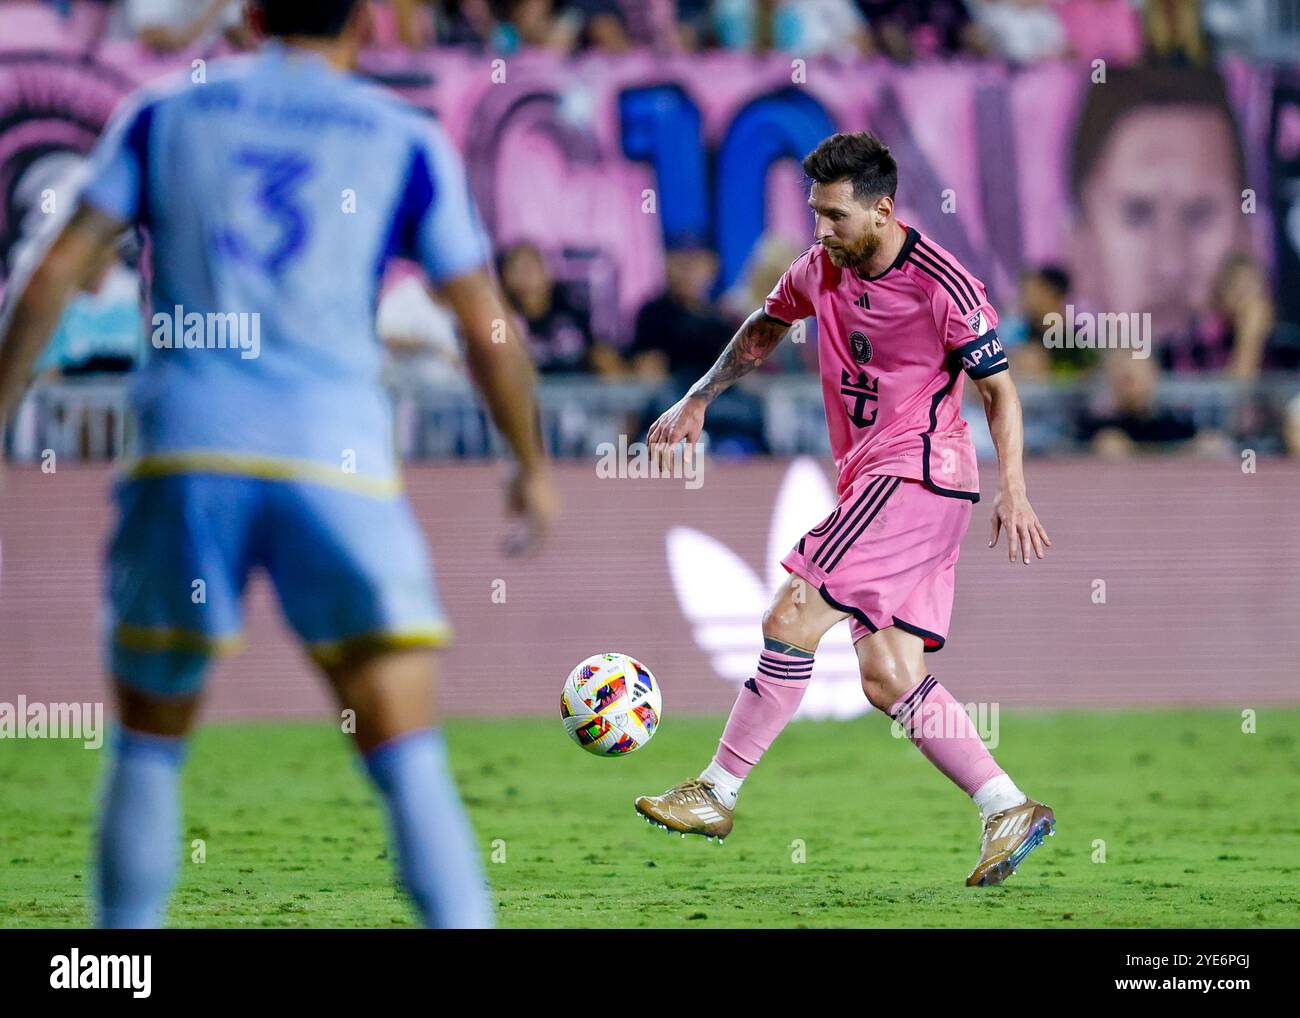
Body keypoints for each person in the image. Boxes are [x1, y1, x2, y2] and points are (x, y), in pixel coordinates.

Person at [0, 0, 558, 928]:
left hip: (183, 448)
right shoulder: (402, 136)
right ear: (365, 25)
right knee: (405, 745)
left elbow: (54, 272)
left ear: (251, 15)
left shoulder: (162, 110)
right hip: (333, 460)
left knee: (147, 744)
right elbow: (486, 326)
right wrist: (530, 463)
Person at [634, 132, 1055, 887]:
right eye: (814, 215)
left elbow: (1000, 389)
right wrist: (700, 396)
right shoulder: (820, 268)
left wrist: (1015, 487)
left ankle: (717, 789)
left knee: (791, 613)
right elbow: (764, 326)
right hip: (883, 485)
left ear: (882, 209)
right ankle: (1006, 806)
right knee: (889, 675)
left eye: (833, 216)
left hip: (915, 477)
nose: (820, 232)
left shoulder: (944, 286)